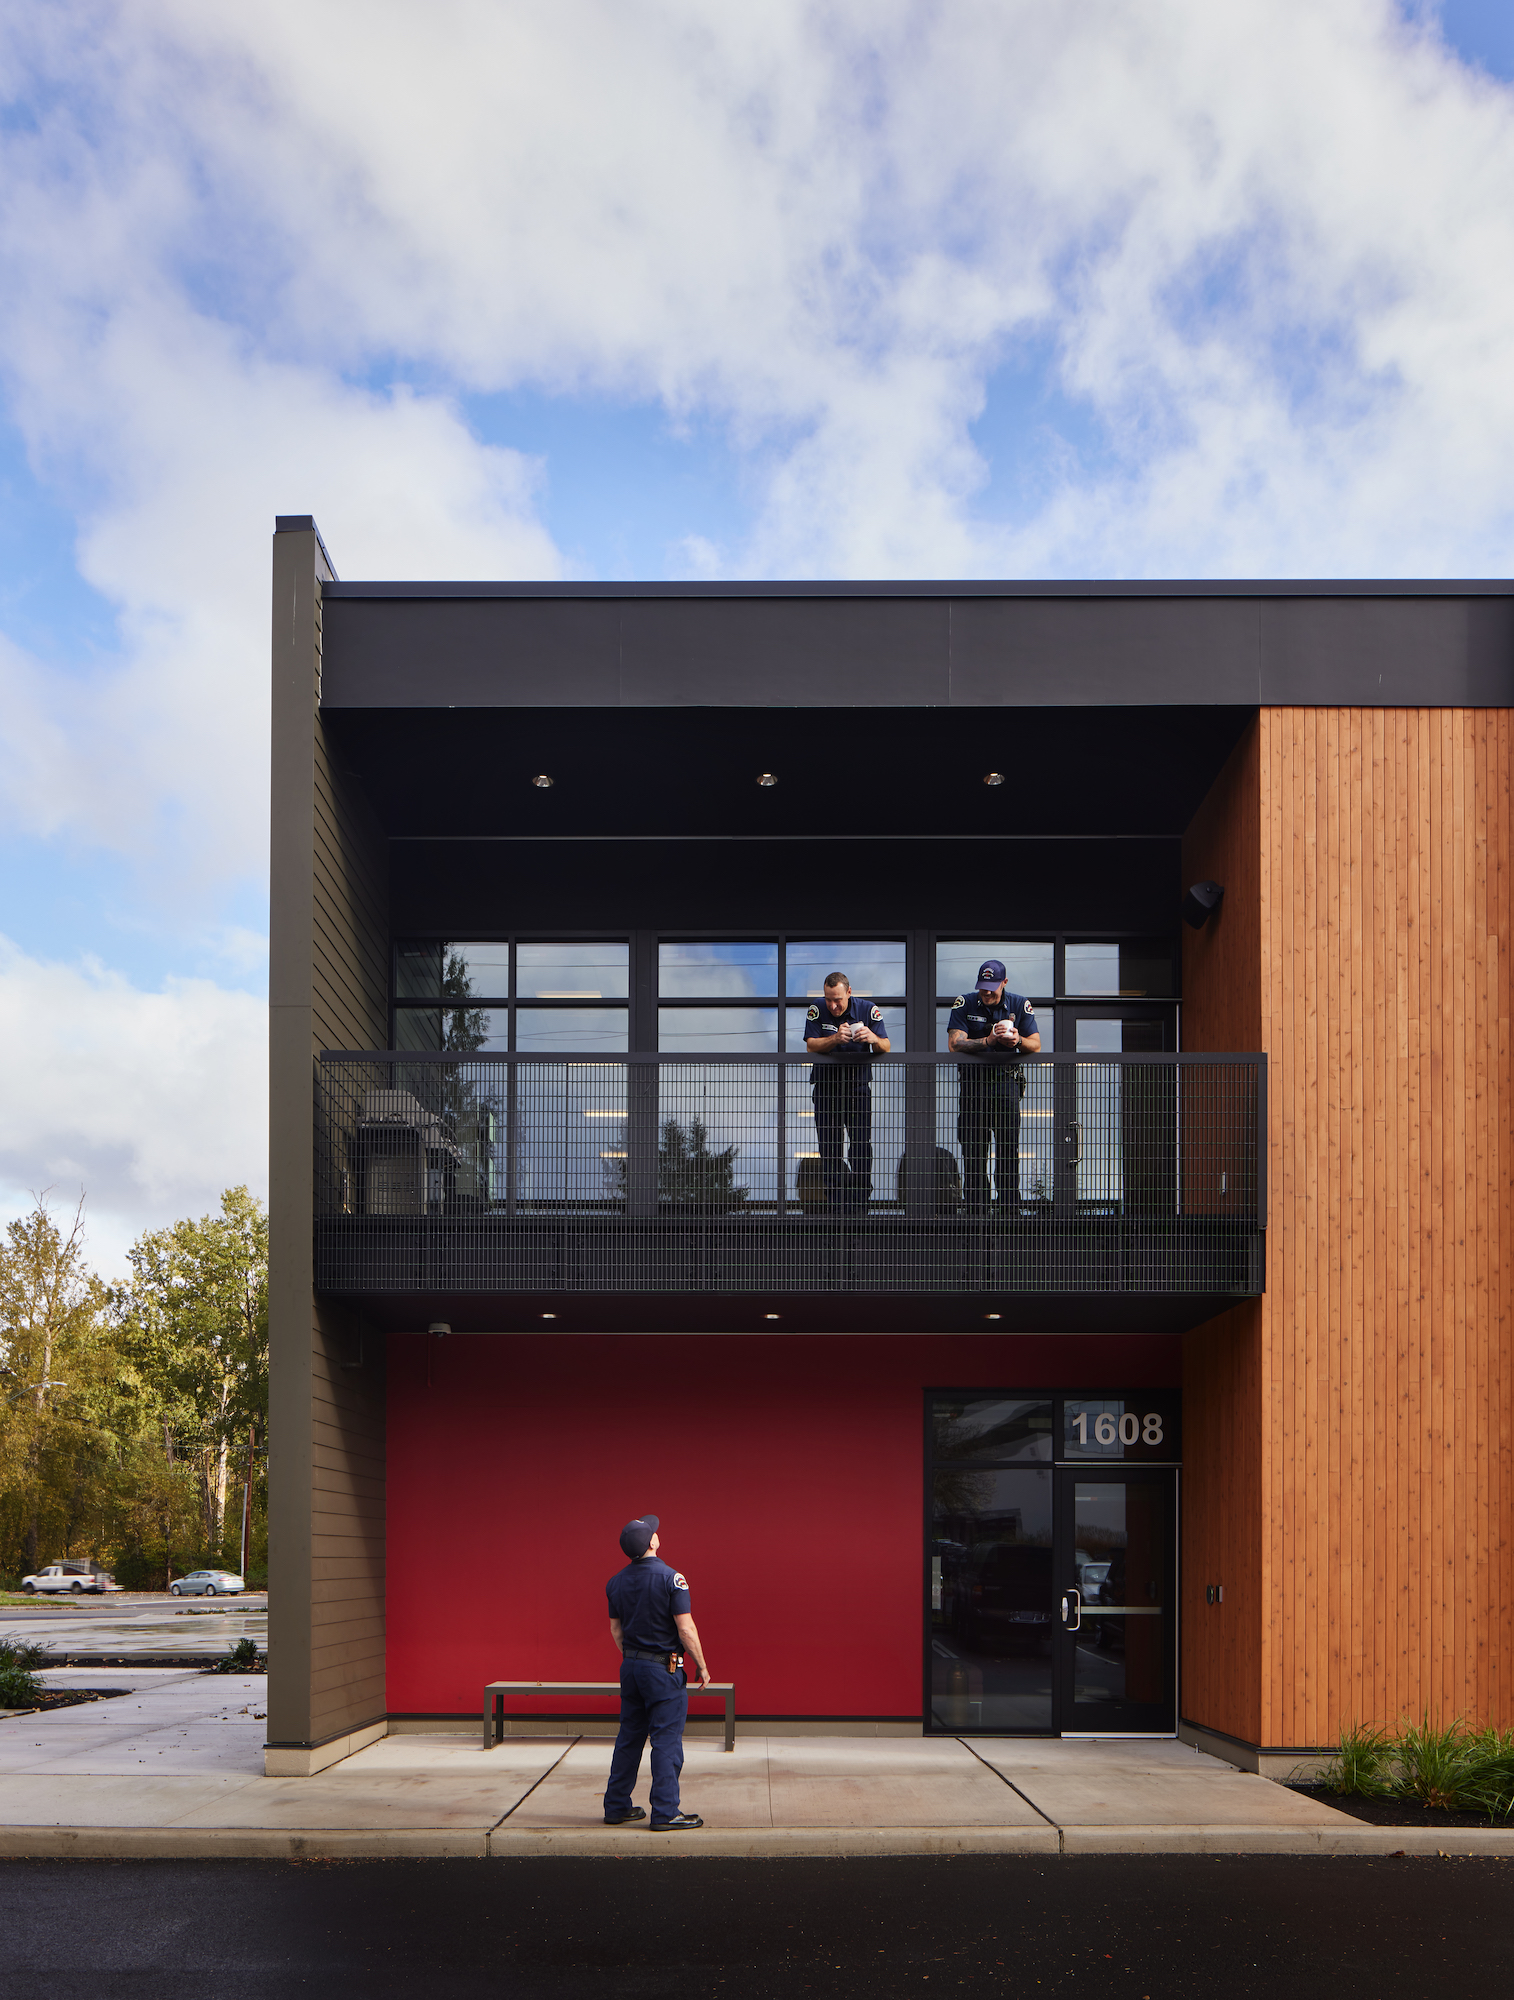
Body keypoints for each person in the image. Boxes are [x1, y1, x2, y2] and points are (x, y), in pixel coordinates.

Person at [602, 1513, 711, 1831]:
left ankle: (616, 1806)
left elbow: (616, 1630)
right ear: (653, 1542)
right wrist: (702, 1665)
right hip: (663, 1670)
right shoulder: (672, 1578)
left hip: (631, 1667)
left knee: (629, 1737)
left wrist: (635, 1658)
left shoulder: (615, 1582)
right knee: (666, 1740)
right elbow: (686, 1629)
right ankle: (665, 1812)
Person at [947, 959, 1041, 1214]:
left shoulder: (1019, 1004)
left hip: (1005, 1084)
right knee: (974, 1151)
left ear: (1004, 982)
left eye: (991, 988)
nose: (986, 993)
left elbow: (1035, 1044)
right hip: (973, 1086)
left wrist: (1017, 1041)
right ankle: (976, 1210)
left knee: (1008, 1150)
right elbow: (955, 1044)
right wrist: (988, 1041)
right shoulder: (965, 1003)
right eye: (982, 987)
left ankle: (1009, 1209)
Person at [803, 972, 890, 1211]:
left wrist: (872, 1038)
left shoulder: (867, 1009)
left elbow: (886, 1045)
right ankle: (835, 1204)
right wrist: (834, 1039)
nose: (833, 1005)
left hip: (857, 1089)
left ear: (849, 992)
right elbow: (811, 1045)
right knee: (830, 1148)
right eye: (829, 999)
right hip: (826, 1089)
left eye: (838, 1000)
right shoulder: (817, 1008)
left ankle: (860, 1203)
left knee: (860, 1146)